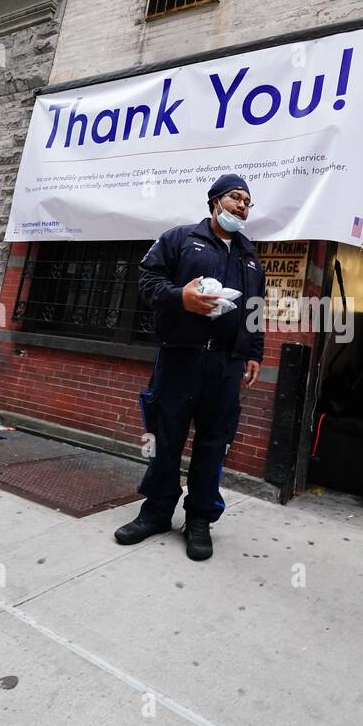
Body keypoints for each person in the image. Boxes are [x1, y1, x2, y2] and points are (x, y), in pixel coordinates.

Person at [113, 174, 264, 561]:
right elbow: (147, 281)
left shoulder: (250, 256)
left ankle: (199, 519)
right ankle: (156, 512)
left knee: (214, 443)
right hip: (180, 355)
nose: (242, 205)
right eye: (235, 197)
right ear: (215, 201)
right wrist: (181, 296)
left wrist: (254, 353)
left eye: (248, 201)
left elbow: (254, 311)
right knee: (165, 437)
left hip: (225, 364)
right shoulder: (180, 239)